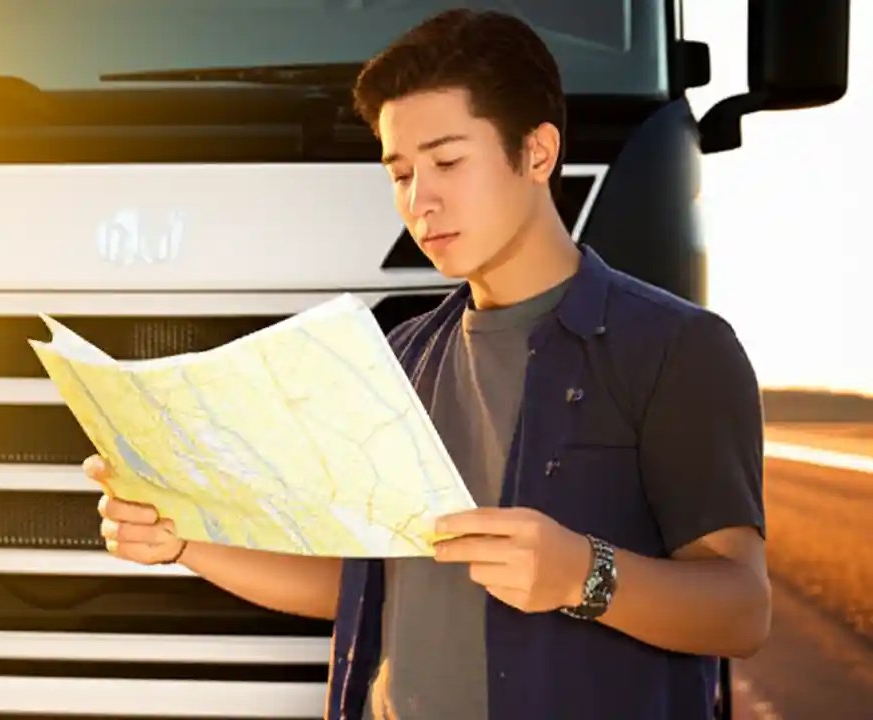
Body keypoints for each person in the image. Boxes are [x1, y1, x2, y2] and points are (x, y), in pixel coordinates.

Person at [87, 8, 769, 719]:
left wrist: (582, 575)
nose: (420, 201)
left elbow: (742, 610)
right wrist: (183, 541)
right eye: (401, 172)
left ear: (537, 154)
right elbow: (365, 584)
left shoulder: (678, 349)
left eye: (447, 162)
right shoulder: (399, 359)